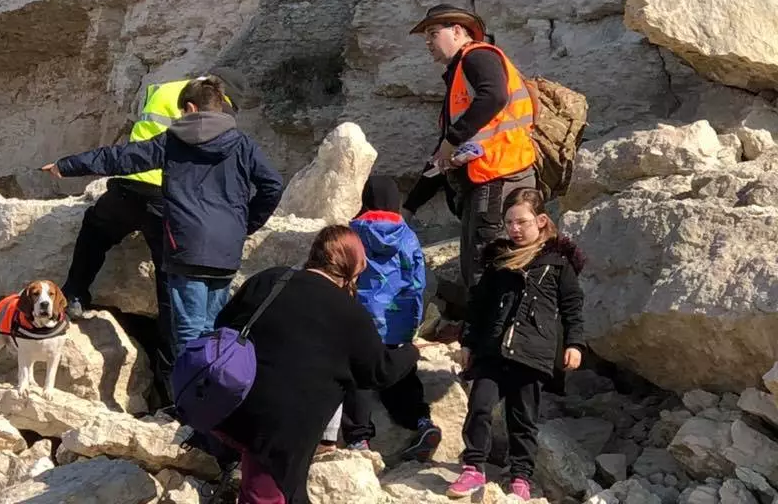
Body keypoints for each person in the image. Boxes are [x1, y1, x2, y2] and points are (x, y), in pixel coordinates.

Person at [43, 76, 283, 367]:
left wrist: (66, 166)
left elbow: (121, 158)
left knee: (188, 332)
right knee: (215, 331)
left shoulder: (176, 141)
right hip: (226, 250)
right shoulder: (243, 144)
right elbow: (273, 186)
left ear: (191, 108)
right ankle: (213, 397)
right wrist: (245, 225)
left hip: (186, 246)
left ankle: (186, 402)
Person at [214, 225, 420, 504]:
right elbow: (378, 372)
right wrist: (410, 352)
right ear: (352, 266)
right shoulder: (348, 312)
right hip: (279, 430)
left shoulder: (272, 279)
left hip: (227, 401)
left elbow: (223, 323)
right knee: (269, 494)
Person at [446, 188, 585, 501]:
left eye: (521, 221)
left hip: (532, 352)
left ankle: (521, 476)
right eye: (509, 222)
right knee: (480, 405)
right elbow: (479, 303)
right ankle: (473, 468)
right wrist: (468, 341)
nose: (514, 229)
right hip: (492, 349)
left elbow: (572, 306)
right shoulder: (499, 259)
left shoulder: (558, 263)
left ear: (541, 220)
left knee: (523, 419)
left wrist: (575, 343)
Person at [404, 5, 537, 291]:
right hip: (487, 180)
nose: (427, 41)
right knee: (477, 269)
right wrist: (410, 206)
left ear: (457, 31)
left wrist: (453, 138)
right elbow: (444, 155)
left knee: (487, 269)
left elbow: (494, 96)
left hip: (499, 176)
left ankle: (494, 334)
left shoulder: (478, 56)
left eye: (432, 33)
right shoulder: (459, 78)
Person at [338, 175, 441, 461]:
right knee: (401, 371)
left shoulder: (352, 233)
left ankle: (359, 439)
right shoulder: (407, 235)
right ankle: (420, 422)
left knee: (358, 377)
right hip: (398, 320)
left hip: (361, 319)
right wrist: (414, 318)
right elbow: (418, 280)